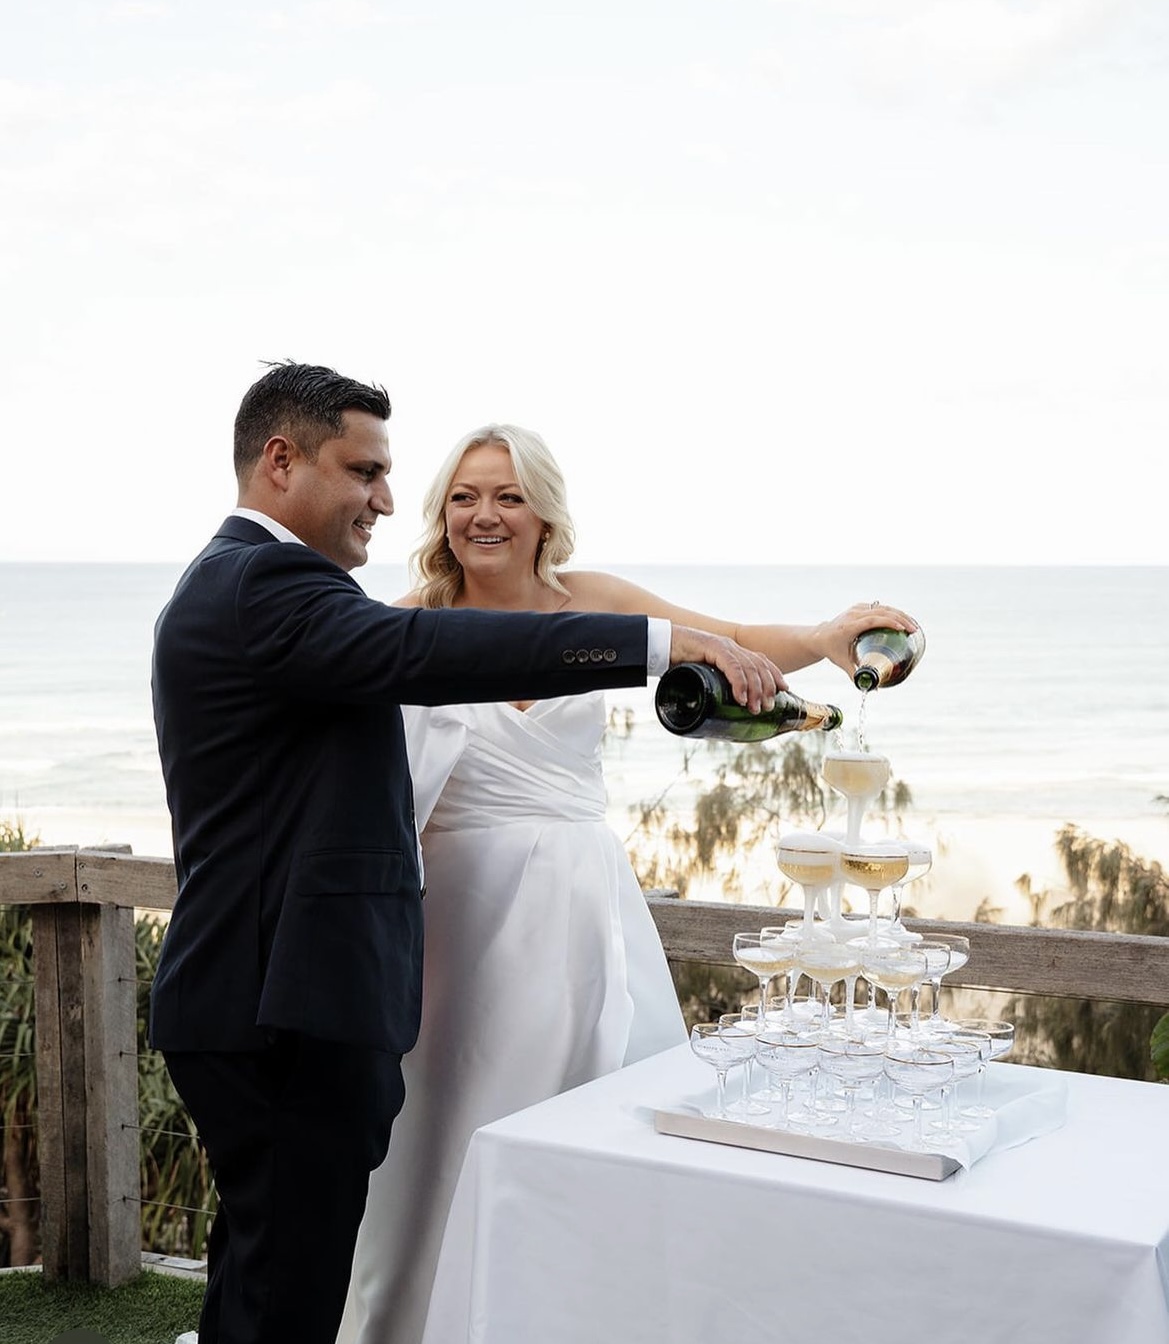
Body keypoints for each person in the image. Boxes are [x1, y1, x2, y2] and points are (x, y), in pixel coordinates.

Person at [151, 366, 783, 1344]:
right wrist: (663, 646)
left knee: (264, 1278)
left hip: (269, 995)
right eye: (363, 471)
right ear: (281, 461)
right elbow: (432, 656)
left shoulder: (238, 582)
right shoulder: (271, 585)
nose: (386, 500)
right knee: (290, 1298)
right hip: (279, 1008)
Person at [338, 423, 918, 1344]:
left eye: (507, 495)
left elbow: (721, 642)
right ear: (440, 513)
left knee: (598, 1114)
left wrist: (819, 637)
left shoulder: (591, 601)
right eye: (464, 497)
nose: (484, 515)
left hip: (581, 904)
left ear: (542, 513)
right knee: (444, 1117)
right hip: (456, 915)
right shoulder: (407, 622)